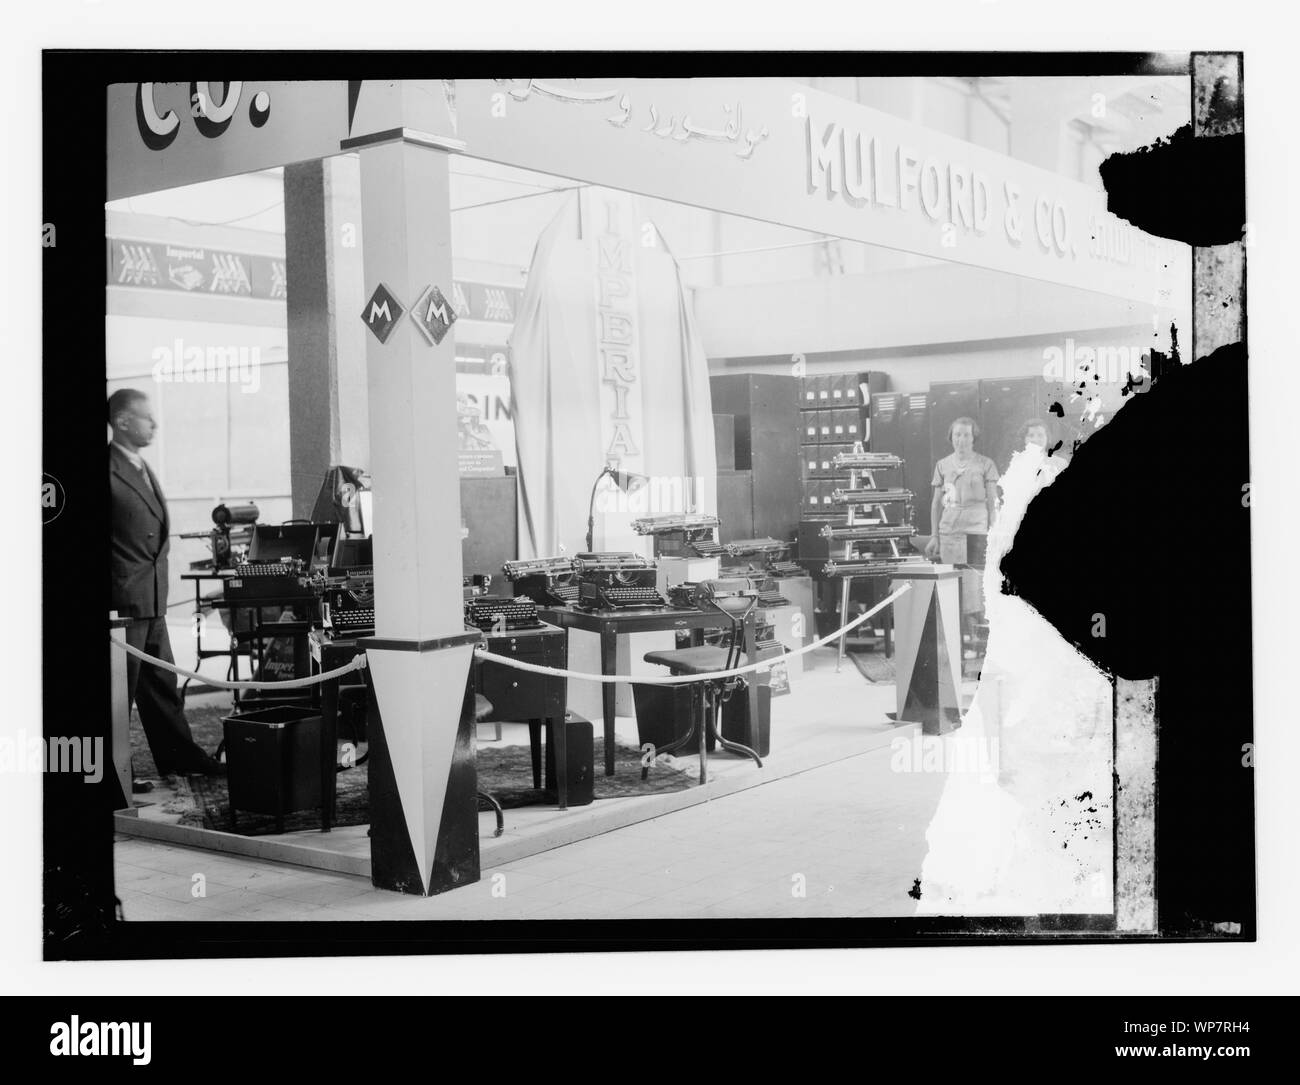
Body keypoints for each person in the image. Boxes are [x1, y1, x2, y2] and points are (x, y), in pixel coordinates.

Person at [108, 389, 222, 778]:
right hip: (123, 604)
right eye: (146, 418)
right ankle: (110, 778)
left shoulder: (139, 466)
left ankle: (181, 760)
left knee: (161, 689)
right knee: (117, 696)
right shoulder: (108, 469)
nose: (154, 424)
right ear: (122, 421)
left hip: (151, 600)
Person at [924, 417, 999, 566]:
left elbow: (993, 503)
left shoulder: (986, 464)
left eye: (966, 435)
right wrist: (934, 536)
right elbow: (936, 505)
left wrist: (995, 534)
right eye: (957, 435)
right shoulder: (942, 465)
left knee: (973, 582)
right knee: (950, 582)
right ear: (951, 437)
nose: (961, 439)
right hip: (949, 532)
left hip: (976, 532)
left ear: (973, 438)